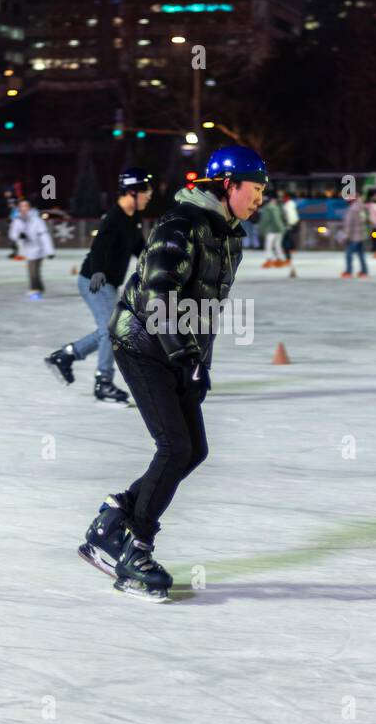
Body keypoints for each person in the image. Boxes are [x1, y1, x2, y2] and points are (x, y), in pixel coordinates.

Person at [77, 145, 262, 601]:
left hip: (177, 349)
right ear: (228, 185)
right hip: (141, 343)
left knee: (193, 449)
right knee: (174, 446)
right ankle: (135, 549)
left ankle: (113, 517)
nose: (260, 198)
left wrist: (199, 362)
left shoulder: (228, 235)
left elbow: (207, 308)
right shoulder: (182, 224)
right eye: (254, 189)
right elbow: (161, 291)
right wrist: (182, 357)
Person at [44, 168, 149, 405]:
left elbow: (137, 247)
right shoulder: (114, 216)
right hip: (95, 280)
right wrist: (99, 270)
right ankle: (103, 382)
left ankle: (66, 356)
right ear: (133, 192)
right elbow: (99, 245)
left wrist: (154, 261)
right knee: (112, 331)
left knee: (108, 330)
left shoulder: (133, 217)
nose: (149, 197)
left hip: (108, 283)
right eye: (146, 192)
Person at [8, 199, 54, 299]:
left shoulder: (37, 221)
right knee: (35, 270)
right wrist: (19, 236)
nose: (23, 208)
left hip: (39, 249)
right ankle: (40, 287)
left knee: (32, 270)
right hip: (28, 249)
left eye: (25, 206)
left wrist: (49, 251)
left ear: (29, 208)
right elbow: (12, 235)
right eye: (21, 206)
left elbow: (44, 236)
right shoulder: (17, 220)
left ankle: (34, 289)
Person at [341, 195, 370, 279]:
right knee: (361, 254)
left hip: (354, 236)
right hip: (362, 235)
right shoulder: (361, 208)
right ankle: (364, 272)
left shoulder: (352, 210)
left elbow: (349, 225)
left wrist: (346, 236)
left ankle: (348, 271)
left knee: (348, 254)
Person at [258, 191, 287, 267]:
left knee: (268, 246)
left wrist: (261, 230)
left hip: (271, 230)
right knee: (277, 245)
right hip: (280, 229)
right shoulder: (278, 207)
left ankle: (269, 260)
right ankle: (280, 260)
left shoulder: (268, 208)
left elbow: (265, 220)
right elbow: (283, 217)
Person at [280, 191, 299, 261]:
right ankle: (290, 251)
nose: (282, 199)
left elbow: (290, 216)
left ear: (287, 198)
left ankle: (288, 255)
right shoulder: (289, 205)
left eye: (284, 198)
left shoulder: (288, 205)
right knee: (287, 239)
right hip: (291, 224)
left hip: (289, 225)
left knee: (286, 240)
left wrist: (288, 224)